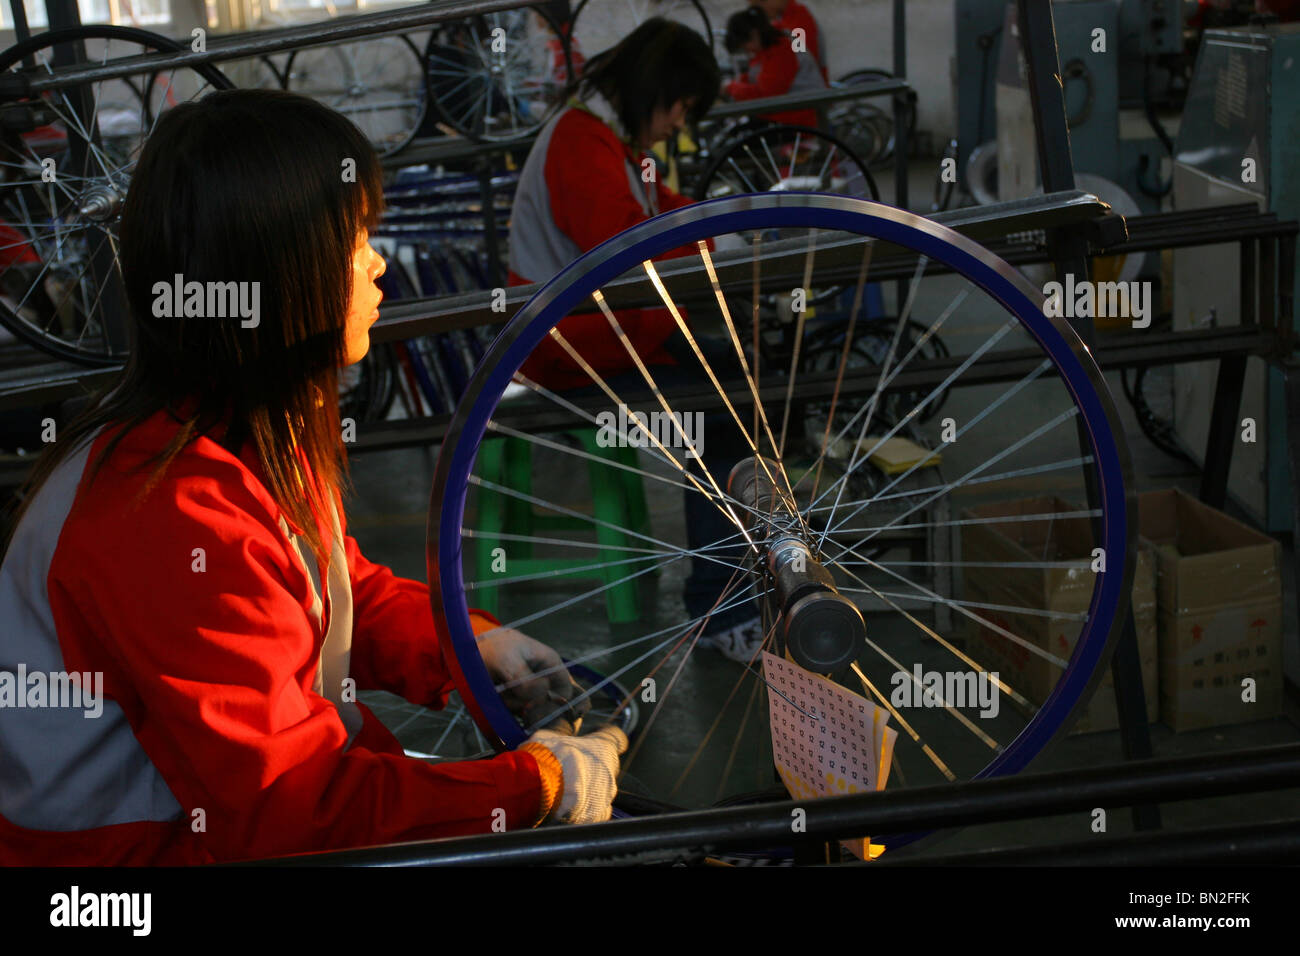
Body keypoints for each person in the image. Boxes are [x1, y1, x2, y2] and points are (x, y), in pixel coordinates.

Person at [0, 89, 626, 866]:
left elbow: (330, 595)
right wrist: (530, 787)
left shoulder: (250, 430)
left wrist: (466, 647)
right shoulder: (165, 511)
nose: (376, 263)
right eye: (356, 236)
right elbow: (293, 814)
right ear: (273, 267)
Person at [508, 19, 765, 663]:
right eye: (682, 109)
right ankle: (720, 604)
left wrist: (721, 216)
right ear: (660, 90)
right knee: (720, 399)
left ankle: (744, 556)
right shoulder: (580, 141)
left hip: (597, 331)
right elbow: (626, 246)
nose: (679, 125)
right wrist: (714, 240)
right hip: (566, 346)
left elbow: (653, 209)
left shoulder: (602, 137)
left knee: (731, 367)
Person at [724, 7, 827, 129]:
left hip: (798, 120)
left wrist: (730, 87)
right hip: (789, 115)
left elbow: (767, 96)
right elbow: (756, 76)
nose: (747, 51)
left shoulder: (782, 49)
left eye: (745, 46)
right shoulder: (772, 44)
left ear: (754, 34)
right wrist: (737, 84)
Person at [749, 0, 828, 81]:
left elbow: (805, 65)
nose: (758, 12)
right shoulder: (781, 19)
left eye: (759, 4)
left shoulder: (799, 20)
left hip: (808, 88)